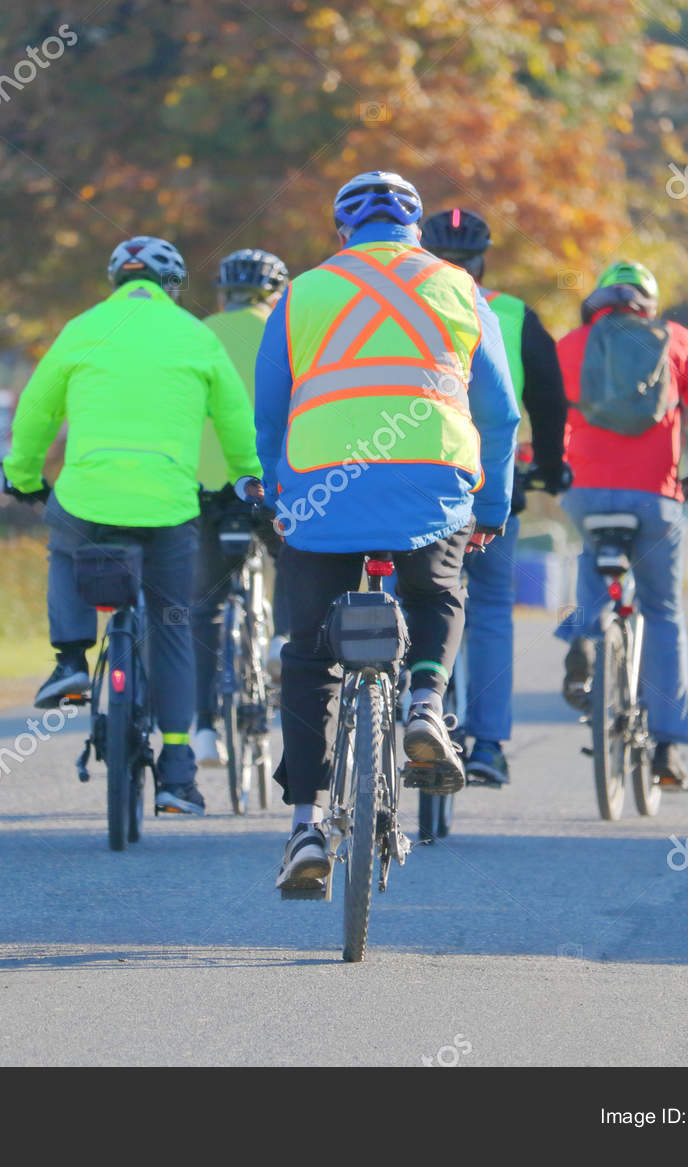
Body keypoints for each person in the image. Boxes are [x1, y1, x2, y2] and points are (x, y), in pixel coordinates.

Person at [255, 172, 520, 890]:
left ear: (342, 233)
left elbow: (271, 411)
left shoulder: (301, 293)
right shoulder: (461, 289)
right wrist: (491, 507)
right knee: (437, 590)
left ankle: (305, 824)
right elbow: (499, 413)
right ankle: (427, 702)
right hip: (429, 477)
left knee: (310, 657)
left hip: (321, 487)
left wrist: (281, 492)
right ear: (414, 229)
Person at [2, 235, 262, 815]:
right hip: (168, 504)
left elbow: (37, 411)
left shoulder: (81, 329)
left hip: (90, 497)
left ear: (115, 280)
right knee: (171, 624)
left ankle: (70, 661)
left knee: (65, 541)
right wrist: (249, 479)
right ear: (171, 288)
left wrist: (22, 477)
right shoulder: (197, 336)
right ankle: (176, 770)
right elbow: (236, 422)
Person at [555, 261, 688, 792]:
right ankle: (666, 747)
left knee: (592, 561)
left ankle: (584, 639)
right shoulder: (675, 341)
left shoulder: (572, 344)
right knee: (662, 611)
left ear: (598, 301)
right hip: (655, 497)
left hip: (587, 494)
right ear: (648, 306)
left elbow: (545, 411)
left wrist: (548, 463)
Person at [418, 207, 570, 788]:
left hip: (417, 479)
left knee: (413, 596)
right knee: (487, 610)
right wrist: (552, 469)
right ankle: (487, 744)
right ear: (484, 261)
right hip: (488, 484)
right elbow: (550, 403)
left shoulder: (398, 307)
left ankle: (412, 710)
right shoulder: (513, 314)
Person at [191, 248, 289, 769]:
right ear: (275, 292)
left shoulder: (201, 332)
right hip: (271, 483)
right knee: (296, 561)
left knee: (204, 605)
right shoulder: (287, 330)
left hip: (205, 488)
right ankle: (283, 642)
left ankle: (205, 730)